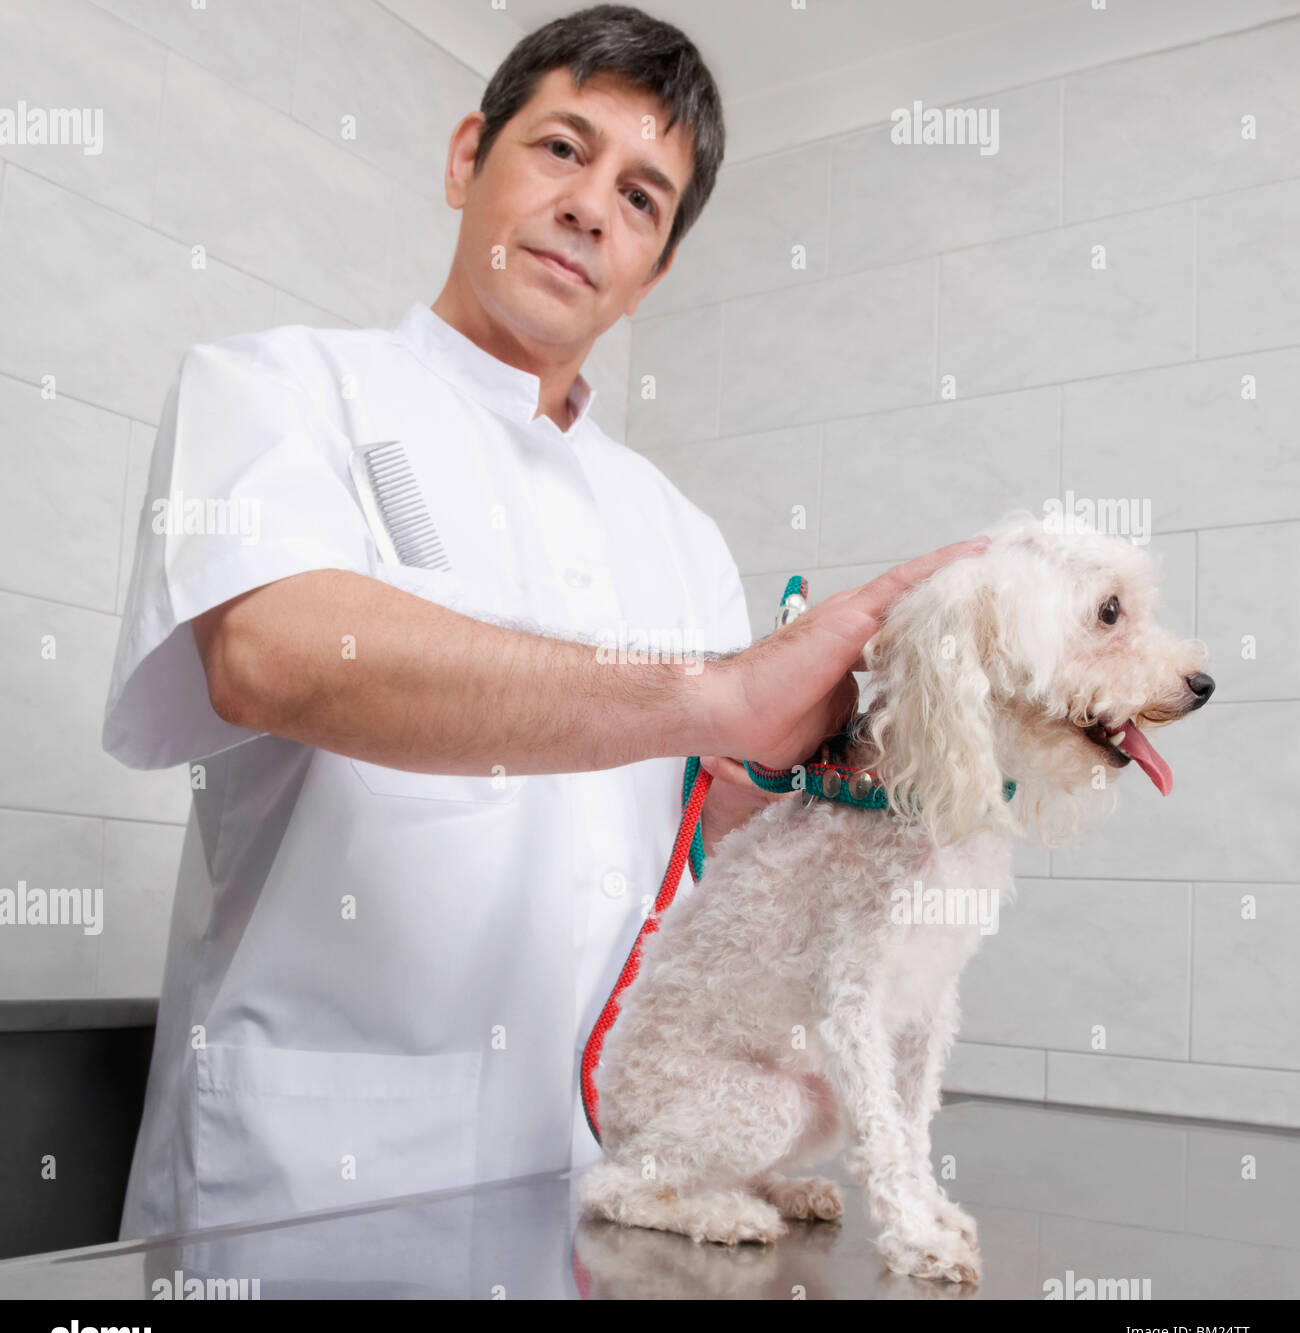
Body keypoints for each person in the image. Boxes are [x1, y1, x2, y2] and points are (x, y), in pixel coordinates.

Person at [103, 2, 985, 1239]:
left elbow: (682, 838)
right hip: (309, 1177)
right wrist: (714, 693)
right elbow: (268, 654)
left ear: (656, 268)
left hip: (594, 1182)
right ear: (469, 156)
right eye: (562, 150)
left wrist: (820, 761)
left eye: (641, 197)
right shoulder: (278, 389)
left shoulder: (677, 528)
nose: (589, 208)